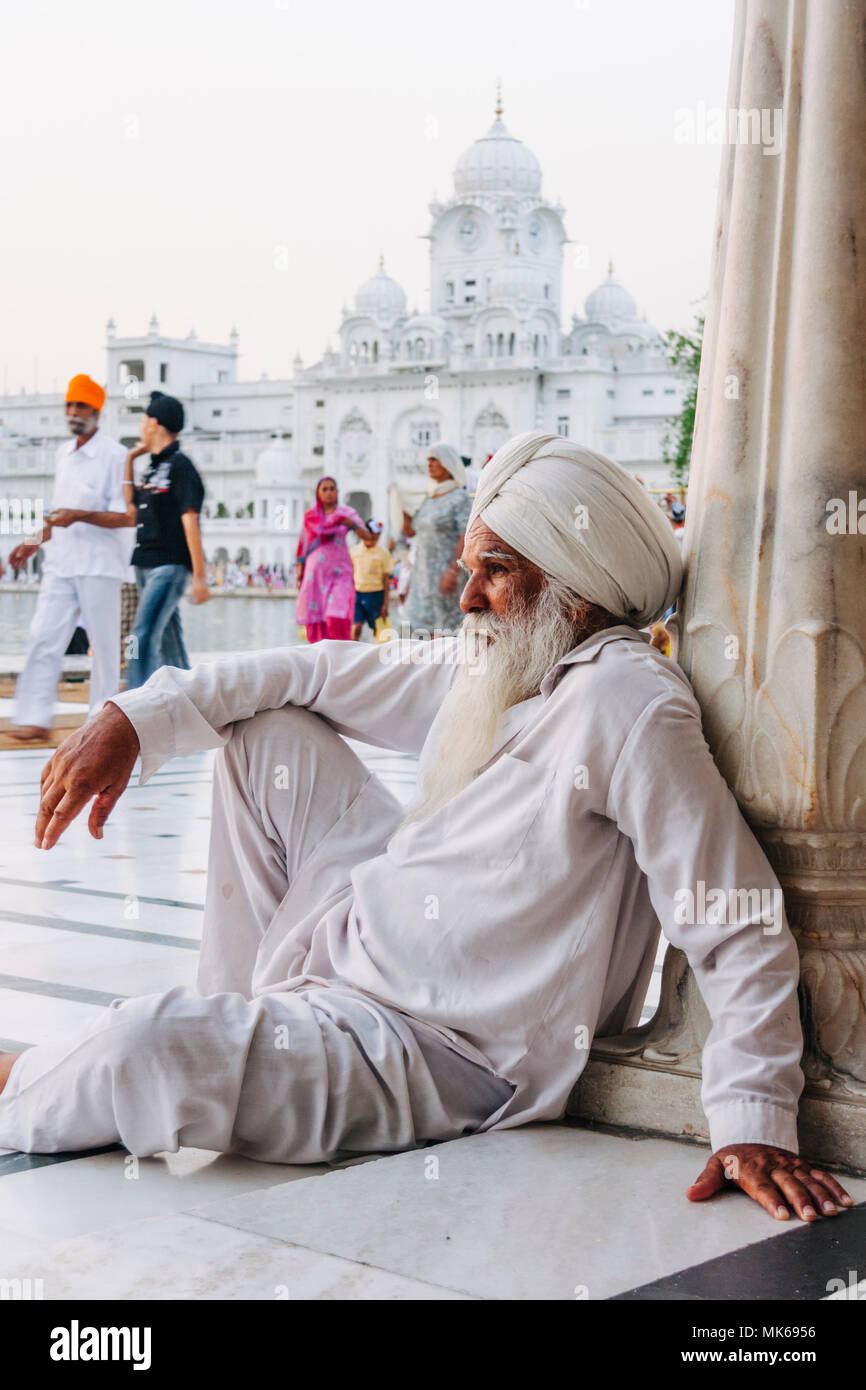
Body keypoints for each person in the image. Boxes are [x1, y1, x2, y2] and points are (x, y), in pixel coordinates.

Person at [0, 428, 853, 1227]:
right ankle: (240, 1025)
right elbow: (316, 667)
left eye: (496, 570)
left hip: (421, 1048)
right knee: (270, 732)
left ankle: (92, 1073)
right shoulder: (507, 662)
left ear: (579, 592)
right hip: (350, 939)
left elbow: (734, 913)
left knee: (144, 1046)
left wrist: (754, 1115)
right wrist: (133, 717)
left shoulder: (625, 703)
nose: (466, 592)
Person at [8, 375, 135, 740]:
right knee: (43, 636)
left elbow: (127, 516)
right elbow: (57, 513)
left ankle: (100, 725)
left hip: (100, 565)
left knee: (106, 649)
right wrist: (32, 540)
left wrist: (78, 515)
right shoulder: (63, 455)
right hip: (61, 563)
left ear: (97, 411)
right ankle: (33, 717)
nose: (74, 413)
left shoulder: (116, 456)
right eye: (69, 405)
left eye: (81, 406)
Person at [126, 393, 208, 690]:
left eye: (144, 418)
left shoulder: (180, 466)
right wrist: (129, 458)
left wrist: (199, 576)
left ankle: (133, 705)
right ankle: (192, 701)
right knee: (169, 641)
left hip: (169, 565)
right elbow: (130, 509)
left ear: (156, 423)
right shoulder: (151, 467)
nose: (141, 424)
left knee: (139, 636)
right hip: (144, 563)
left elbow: (190, 519)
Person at [402, 443, 471, 636]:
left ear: (448, 464)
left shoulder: (460, 498)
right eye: (428, 460)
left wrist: (453, 571)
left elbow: (465, 535)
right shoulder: (428, 497)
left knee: (444, 635)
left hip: (447, 575)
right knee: (417, 634)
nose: (429, 464)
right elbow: (413, 534)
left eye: (434, 459)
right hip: (422, 576)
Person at [295, 477, 373, 642]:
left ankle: (340, 660)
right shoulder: (311, 516)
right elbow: (303, 544)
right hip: (315, 575)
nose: (329, 492)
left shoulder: (346, 513)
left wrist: (350, 524)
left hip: (340, 573)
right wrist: (299, 572)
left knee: (335, 617)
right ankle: (322, 662)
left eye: (332, 489)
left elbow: (367, 536)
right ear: (318, 493)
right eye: (324, 489)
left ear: (337, 492)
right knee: (317, 622)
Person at [350, 519, 393, 640]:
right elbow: (350, 575)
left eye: (378, 535)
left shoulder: (383, 553)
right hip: (357, 594)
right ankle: (353, 655)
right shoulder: (354, 551)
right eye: (373, 533)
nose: (375, 537)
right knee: (356, 627)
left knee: (378, 631)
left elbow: (386, 580)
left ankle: (377, 656)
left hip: (376, 595)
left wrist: (385, 605)